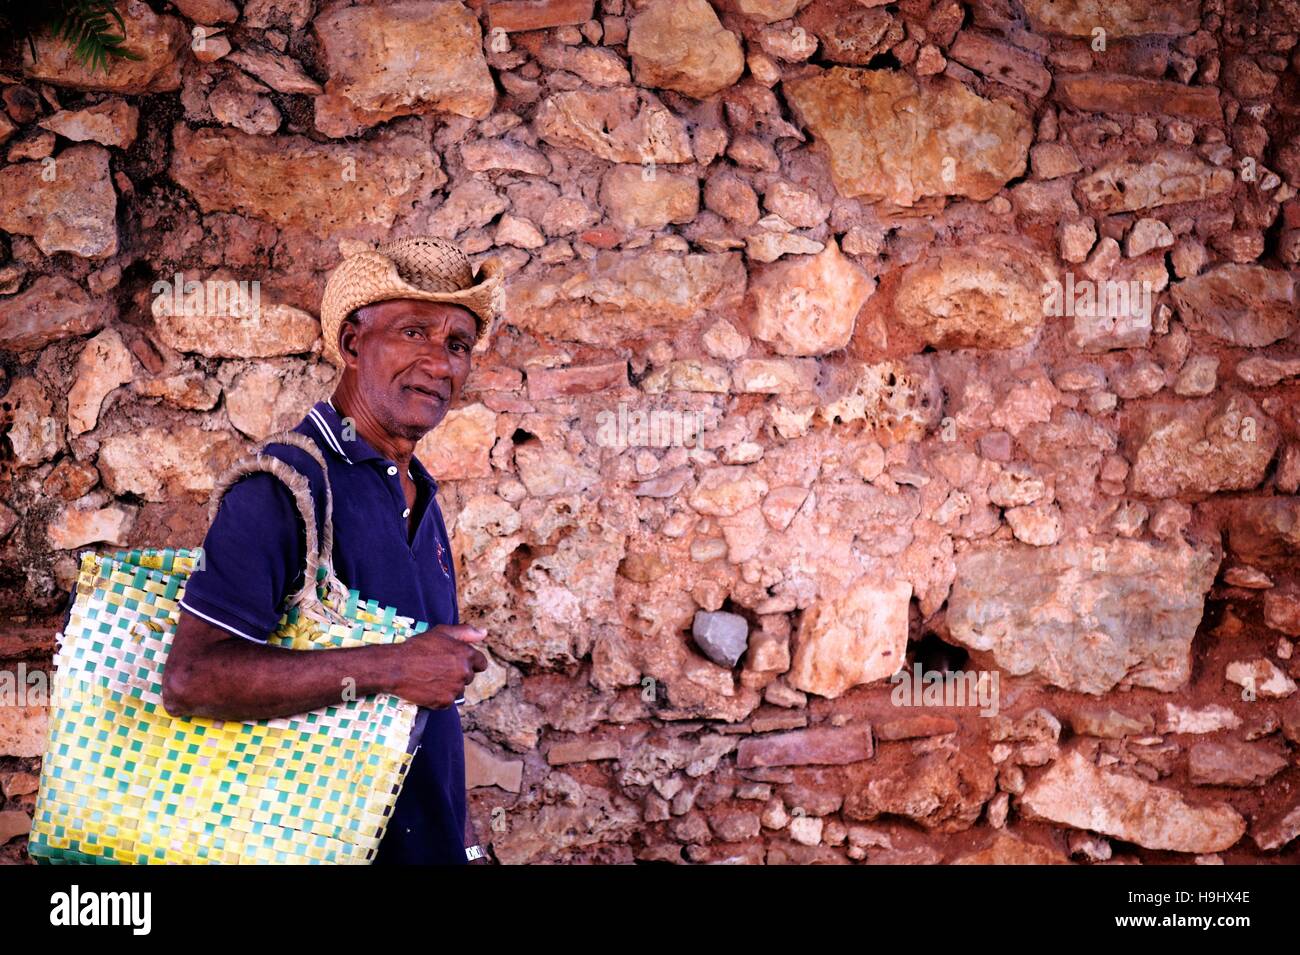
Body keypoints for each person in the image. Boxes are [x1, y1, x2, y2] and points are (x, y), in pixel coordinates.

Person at [162, 236, 505, 864]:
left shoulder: (416, 490)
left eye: (458, 344)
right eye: (414, 333)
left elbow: (424, 713)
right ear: (352, 343)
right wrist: (395, 667)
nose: (440, 363)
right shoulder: (284, 488)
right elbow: (191, 680)